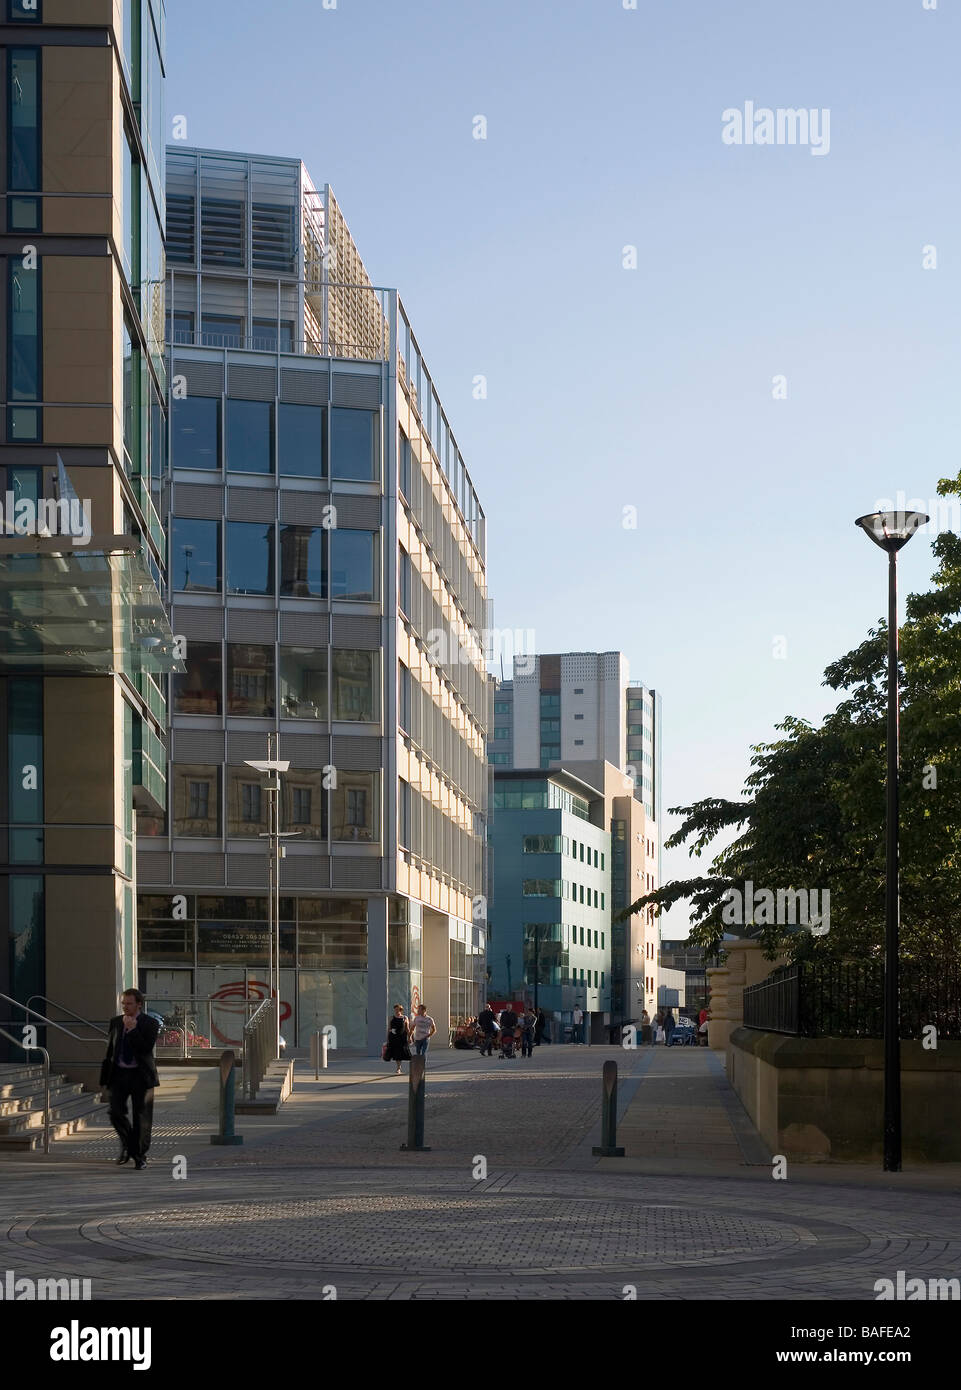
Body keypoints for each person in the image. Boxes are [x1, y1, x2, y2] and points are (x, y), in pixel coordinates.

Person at [100, 988, 160, 1170]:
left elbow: (145, 1049)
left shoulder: (150, 1023)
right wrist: (105, 1077)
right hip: (119, 1074)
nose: (125, 1007)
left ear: (139, 1004)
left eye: (129, 1004)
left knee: (141, 1117)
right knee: (115, 1112)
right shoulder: (116, 1022)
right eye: (123, 1004)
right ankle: (129, 1146)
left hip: (141, 1075)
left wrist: (133, 1030)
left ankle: (139, 1156)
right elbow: (110, 1050)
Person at [385, 1004, 411, 1074]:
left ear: (401, 1010)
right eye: (395, 1009)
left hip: (402, 1037)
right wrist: (387, 1039)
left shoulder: (405, 1018)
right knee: (396, 1053)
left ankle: (399, 1067)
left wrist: (410, 1037)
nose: (396, 1011)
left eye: (398, 1009)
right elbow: (389, 1029)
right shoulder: (391, 1018)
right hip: (393, 1037)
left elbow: (407, 1029)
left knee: (401, 1052)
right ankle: (398, 1068)